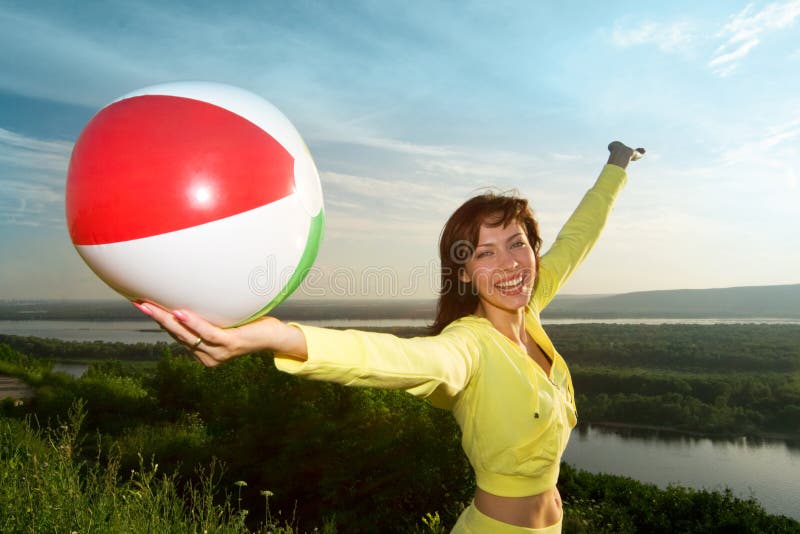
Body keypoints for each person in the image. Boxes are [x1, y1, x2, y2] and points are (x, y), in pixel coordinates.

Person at [134, 141, 644, 533]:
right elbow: (390, 358)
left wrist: (616, 166)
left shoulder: (530, 311)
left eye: (517, 244)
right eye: (485, 253)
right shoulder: (469, 346)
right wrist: (276, 335)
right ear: (464, 274)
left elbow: (578, 237)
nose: (509, 263)